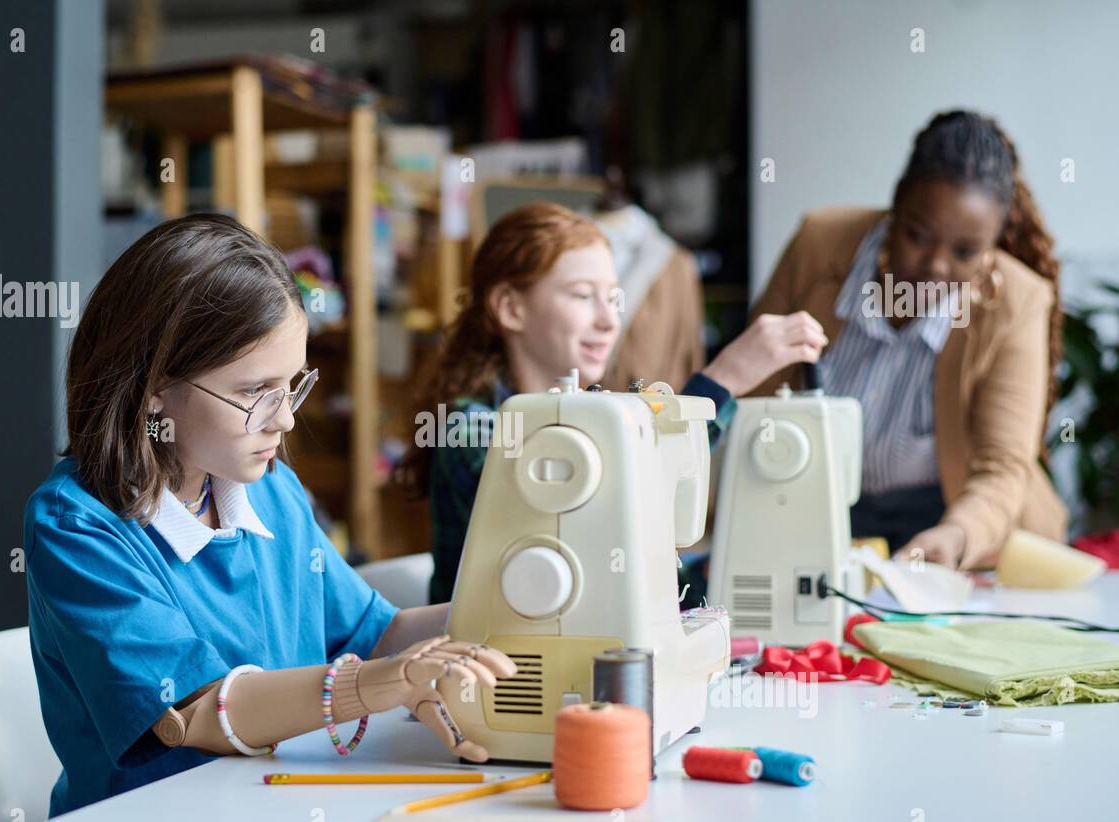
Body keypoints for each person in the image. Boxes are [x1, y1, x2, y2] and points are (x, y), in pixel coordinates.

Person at [25, 213, 512, 817]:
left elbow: (375, 633)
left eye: (292, 386)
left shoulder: (270, 489)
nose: (283, 420)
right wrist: (378, 682)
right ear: (154, 386)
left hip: (274, 817)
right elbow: (194, 714)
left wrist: (516, 608)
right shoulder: (78, 524)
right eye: (257, 391)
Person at [398, 201, 827, 603]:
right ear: (511, 308)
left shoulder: (596, 416)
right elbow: (598, 520)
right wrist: (724, 379)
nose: (608, 321)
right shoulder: (472, 429)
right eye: (583, 296)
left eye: (613, 298)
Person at [749, 110, 1067, 568]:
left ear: (993, 243)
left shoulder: (1017, 302)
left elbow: (1001, 466)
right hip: (816, 505)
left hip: (949, 515)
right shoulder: (820, 246)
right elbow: (755, 395)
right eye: (918, 236)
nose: (936, 266)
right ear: (896, 204)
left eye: (965, 252)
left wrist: (956, 537)